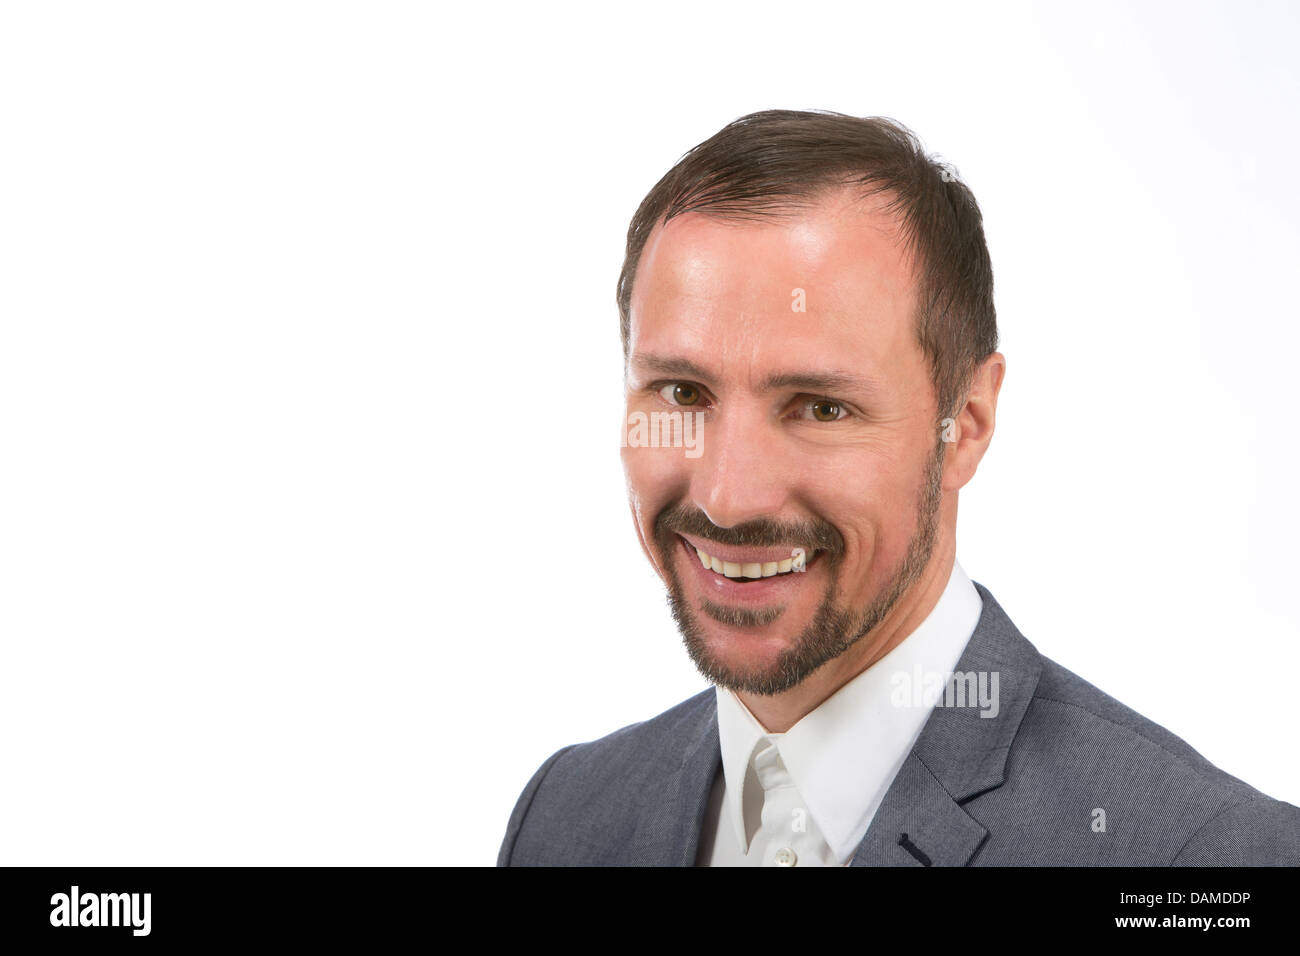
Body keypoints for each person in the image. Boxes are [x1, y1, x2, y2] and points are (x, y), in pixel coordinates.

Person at [497, 110, 1300, 866]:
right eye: (680, 393)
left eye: (819, 407)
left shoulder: (1204, 859)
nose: (727, 497)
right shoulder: (564, 818)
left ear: (969, 422)